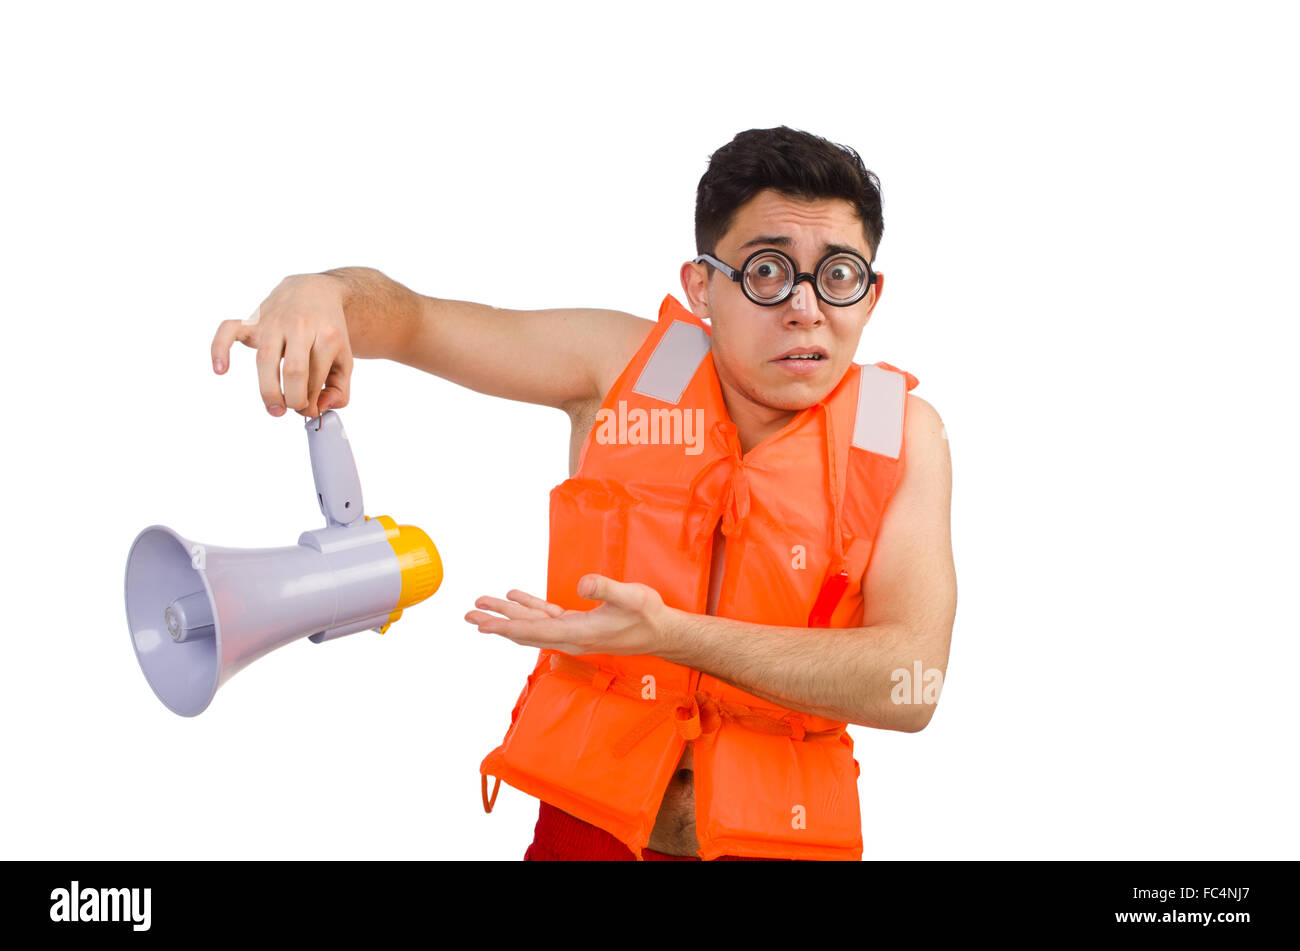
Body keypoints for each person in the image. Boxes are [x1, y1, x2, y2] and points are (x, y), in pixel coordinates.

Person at [210, 126, 957, 861]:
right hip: (584, 837)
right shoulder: (617, 365)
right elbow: (415, 321)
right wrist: (323, 293)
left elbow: (909, 684)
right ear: (700, 286)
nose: (805, 307)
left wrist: (674, 636)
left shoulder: (901, 434)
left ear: (871, 293)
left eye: (837, 275)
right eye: (766, 271)